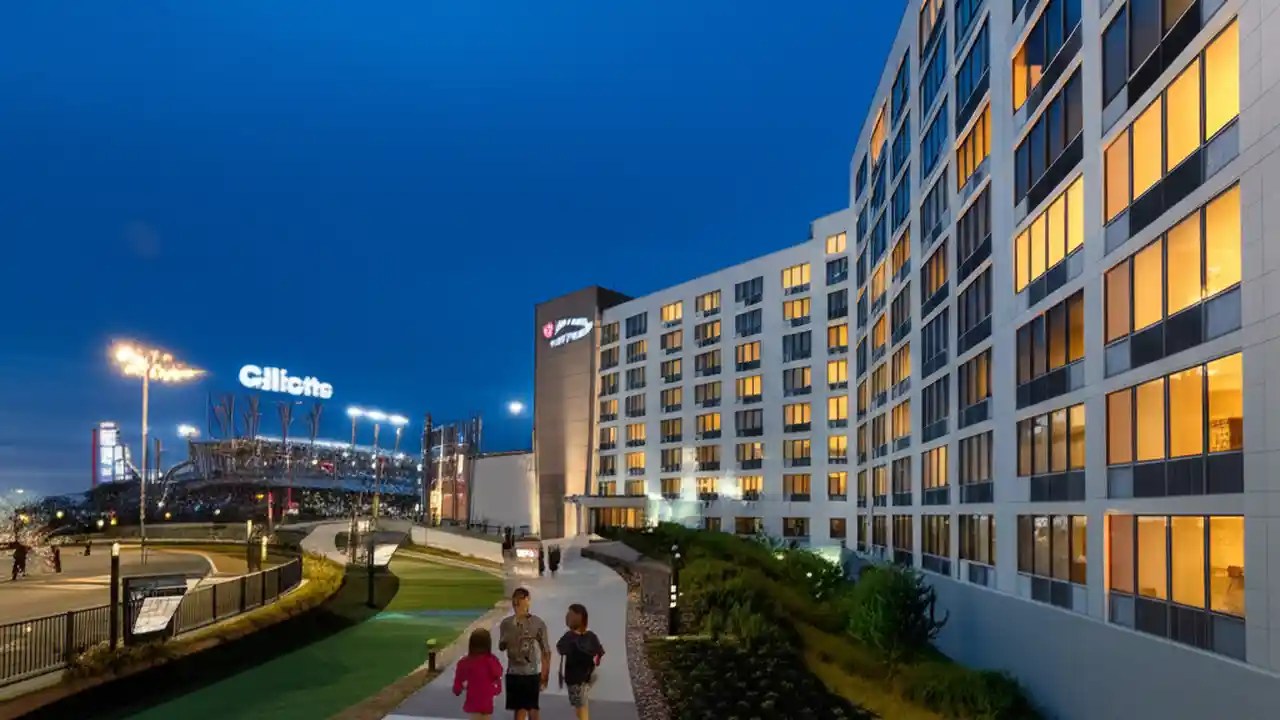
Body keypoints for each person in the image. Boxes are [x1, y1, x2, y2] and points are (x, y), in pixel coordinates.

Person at [498, 587, 551, 720]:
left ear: (528, 602)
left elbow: (546, 650)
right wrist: (508, 637)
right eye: (515, 603)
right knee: (519, 710)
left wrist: (545, 674)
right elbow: (502, 646)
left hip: (531, 672)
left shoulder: (537, 623)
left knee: (533, 708)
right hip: (514, 672)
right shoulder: (506, 623)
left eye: (521, 603)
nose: (518, 607)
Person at [557, 604, 605, 720]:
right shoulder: (590, 636)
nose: (567, 617)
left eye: (570, 615)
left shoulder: (570, 637)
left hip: (576, 679)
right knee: (580, 706)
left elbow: (560, 649)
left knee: (581, 707)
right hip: (583, 678)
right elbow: (600, 652)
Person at [453, 628, 504, 720]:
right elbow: (498, 673)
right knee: (485, 716)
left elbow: (458, 678)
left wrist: (457, 689)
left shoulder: (465, 662)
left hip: (473, 697)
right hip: (487, 697)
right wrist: (497, 689)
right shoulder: (491, 660)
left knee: (476, 715)